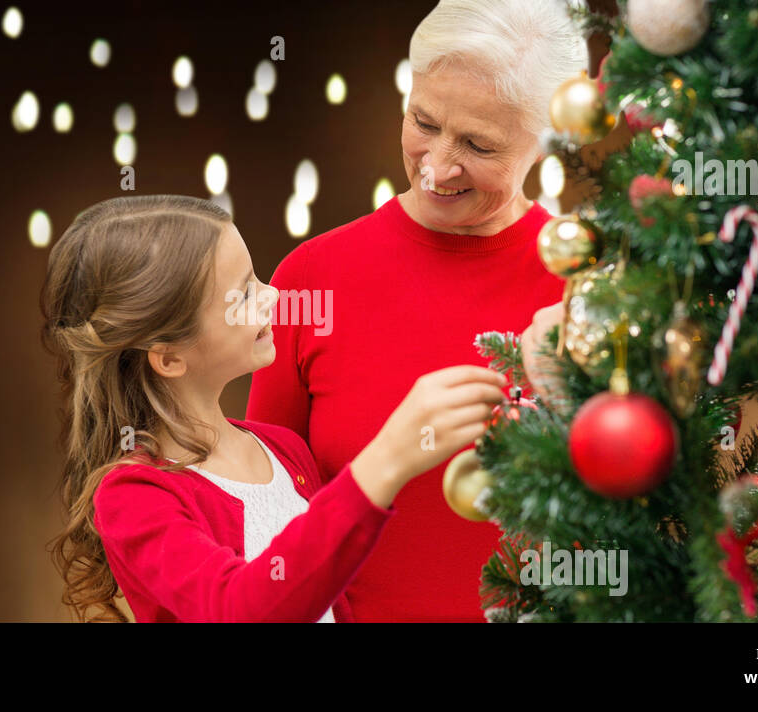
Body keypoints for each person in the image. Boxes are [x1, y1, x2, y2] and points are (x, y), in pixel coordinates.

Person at [246, 0, 587, 621]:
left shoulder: (586, 290)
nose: (437, 166)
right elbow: (267, 521)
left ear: (547, 141)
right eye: (423, 122)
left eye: (479, 144)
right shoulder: (310, 280)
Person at [40, 194, 508, 622]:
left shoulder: (283, 450)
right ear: (169, 357)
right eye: (243, 293)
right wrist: (386, 460)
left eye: (257, 277)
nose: (275, 296)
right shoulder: (133, 496)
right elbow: (240, 608)